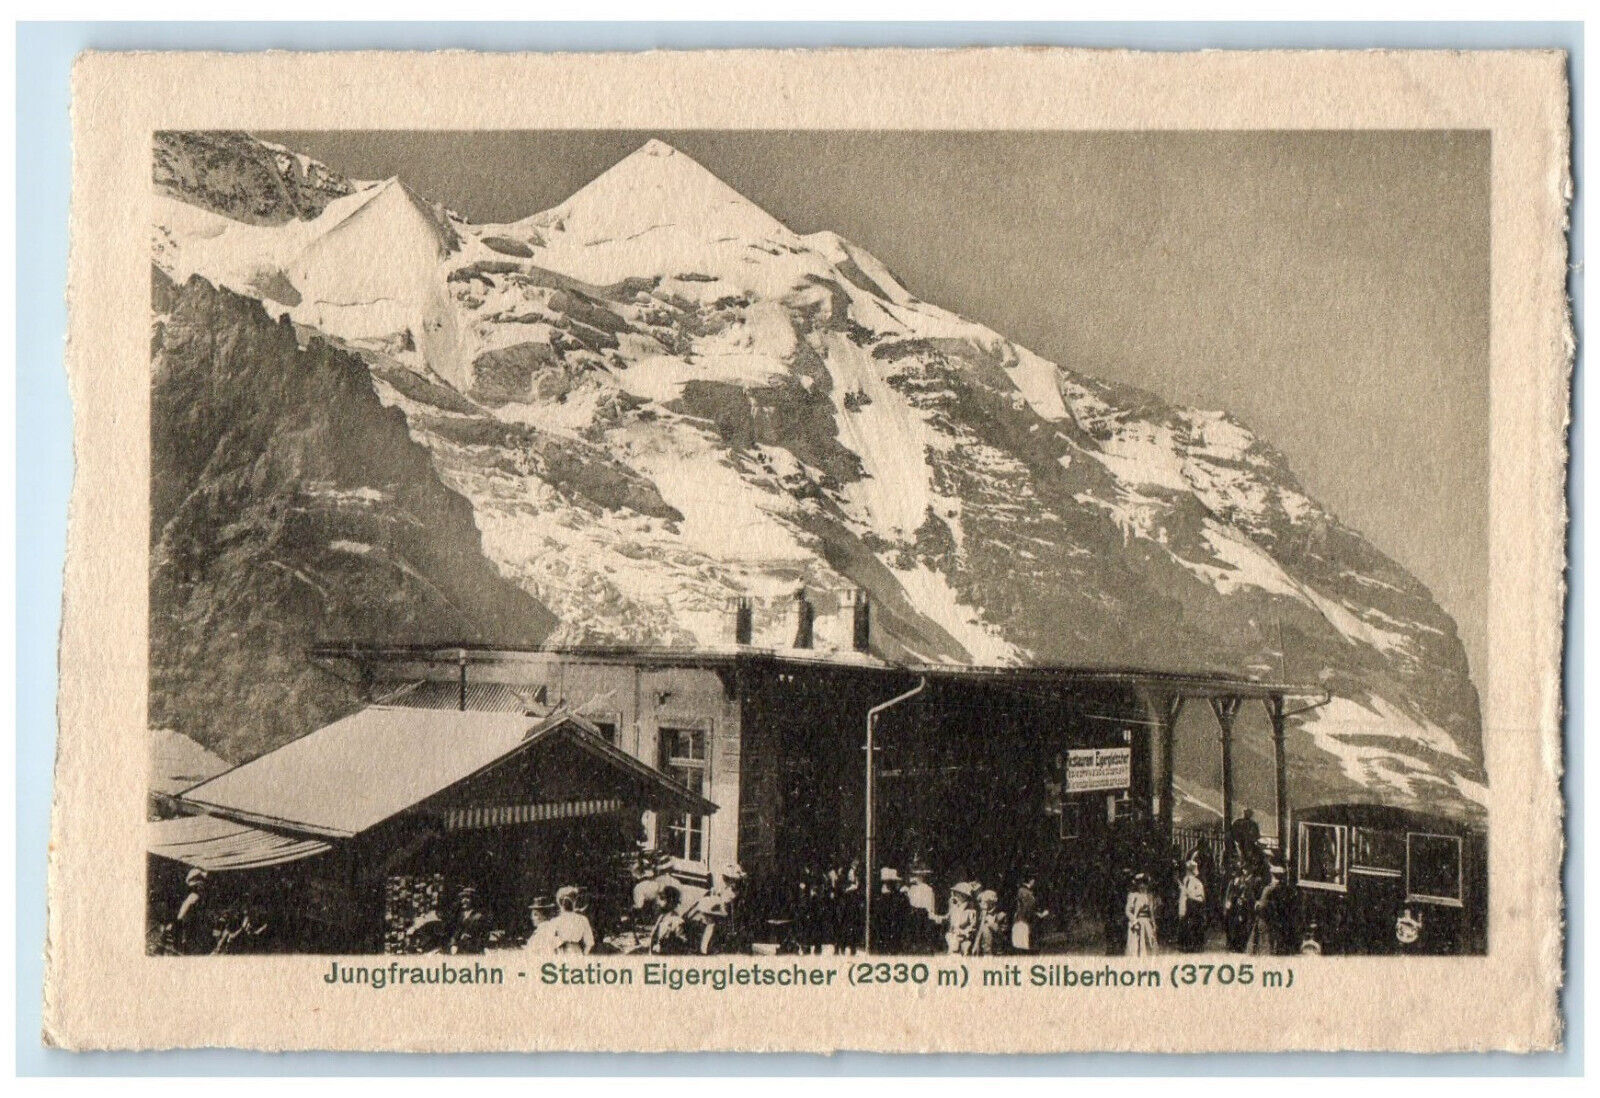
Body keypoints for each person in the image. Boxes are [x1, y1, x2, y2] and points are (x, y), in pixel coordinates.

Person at [687, 864, 748, 955]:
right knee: (702, 913)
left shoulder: (733, 892)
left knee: (710, 924)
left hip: (724, 915)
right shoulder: (728, 889)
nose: (726, 881)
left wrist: (717, 899)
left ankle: (704, 948)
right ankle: (700, 943)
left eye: (728, 879)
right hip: (720, 911)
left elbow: (726, 903)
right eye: (725, 878)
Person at [532, 886, 596, 954]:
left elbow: (548, 941)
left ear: (560, 903)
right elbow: (590, 943)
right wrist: (584, 954)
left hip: (561, 951)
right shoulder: (583, 919)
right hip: (577, 951)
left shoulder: (556, 920)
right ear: (575, 902)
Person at [1247, 863, 1286, 955]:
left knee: (1264, 943)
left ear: (1272, 875)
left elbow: (1262, 906)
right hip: (1277, 919)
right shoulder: (1283, 888)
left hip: (1265, 919)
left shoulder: (1268, 889)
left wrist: (1257, 905)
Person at [173, 868, 210, 955]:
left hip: (193, 919)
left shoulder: (194, 896)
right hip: (193, 918)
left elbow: (183, 911)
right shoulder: (196, 895)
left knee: (189, 936)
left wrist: (179, 918)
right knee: (189, 935)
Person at [648, 883, 693, 955]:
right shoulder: (662, 917)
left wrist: (664, 947)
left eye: (662, 899)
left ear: (671, 902)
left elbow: (682, 944)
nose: (658, 903)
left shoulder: (677, 921)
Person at [1177, 859, 1207, 952]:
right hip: (1185, 906)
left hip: (1194, 907)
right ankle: (1185, 945)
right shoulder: (1185, 880)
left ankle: (1195, 946)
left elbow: (1201, 898)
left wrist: (1190, 895)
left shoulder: (1198, 883)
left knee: (1194, 926)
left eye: (1188, 870)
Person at [1125, 873, 1158, 956]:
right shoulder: (1133, 896)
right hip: (1137, 923)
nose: (1142, 885)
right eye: (1140, 883)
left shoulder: (1150, 896)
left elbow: (1151, 913)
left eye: (1145, 883)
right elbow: (1128, 911)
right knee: (1136, 946)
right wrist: (1134, 921)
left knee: (1149, 945)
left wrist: (1153, 924)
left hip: (1147, 924)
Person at [448, 887, 489, 955]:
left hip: (473, 945)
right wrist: (453, 944)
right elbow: (455, 932)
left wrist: (483, 947)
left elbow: (484, 934)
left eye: (467, 898)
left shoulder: (479, 916)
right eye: (462, 898)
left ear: (473, 900)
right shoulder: (459, 915)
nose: (464, 900)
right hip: (458, 945)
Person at [1011, 872, 1042, 954]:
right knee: (1024, 946)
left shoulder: (1022, 891)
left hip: (1021, 920)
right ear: (1031, 881)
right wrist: (1037, 915)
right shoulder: (1026, 892)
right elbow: (1027, 908)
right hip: (1024, 921)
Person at [945, 882, 978, 955]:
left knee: (964, 948)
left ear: (963, 896)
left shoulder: (970, 911)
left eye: (956, 894)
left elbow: (972, 926)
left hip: (965, 937)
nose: (954, 896)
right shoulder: (954, 909)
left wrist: (963, 932)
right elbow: (947, 919)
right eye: (954, 894)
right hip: (953, 935)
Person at [974, 889, 1008, 956]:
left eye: (984, 902)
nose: (981, 905)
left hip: (995, 951)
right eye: (980, 902)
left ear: (991, 903)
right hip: (982, 950)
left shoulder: (1001, 915)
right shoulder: (981, 914)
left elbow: (1003, 936)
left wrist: (993, 926)